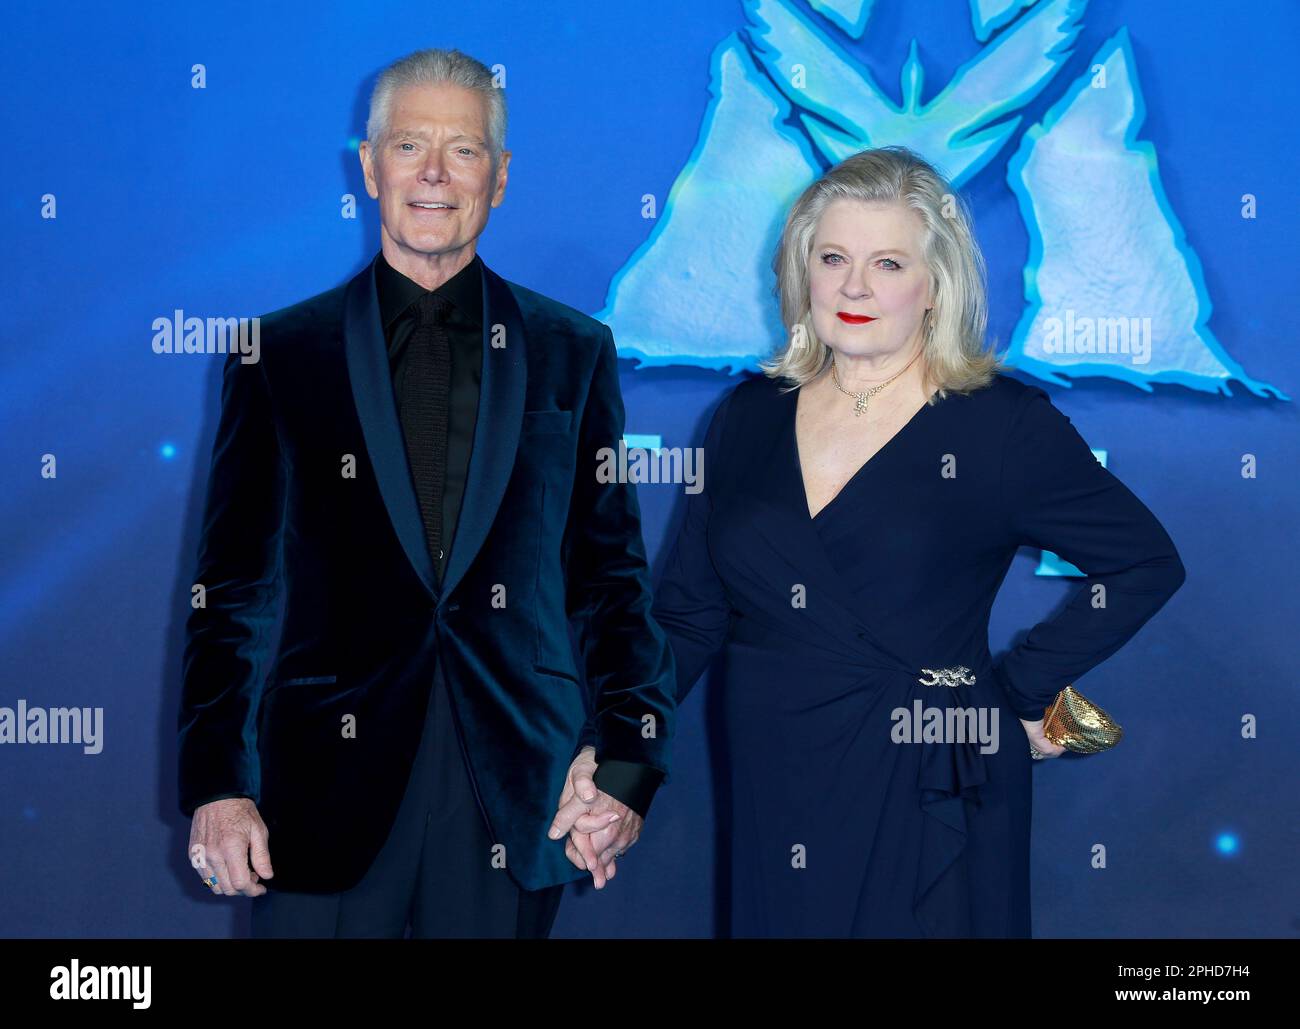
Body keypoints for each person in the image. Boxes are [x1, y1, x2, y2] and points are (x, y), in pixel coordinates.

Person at [177, 47, 675, 938]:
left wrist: (630, 761)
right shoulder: (277, 355)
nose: (436, 174)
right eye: (410, 146)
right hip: (321, 790)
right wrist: (219, 783)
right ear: (368, 166)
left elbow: (611, 581)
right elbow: (234, 595)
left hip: (514, 789)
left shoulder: (574, 350)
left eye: (465, 150)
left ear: (502, 175)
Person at [644, 145, 1186, 937]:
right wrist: (618, 760)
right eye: (833, 258)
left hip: (935, 779)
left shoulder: (1001, 425)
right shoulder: (746, 417)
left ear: (936, 286)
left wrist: (1018, 690)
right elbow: (687, 617)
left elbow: (1143, 561)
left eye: (889, 262)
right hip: (777, 778)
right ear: (802, 274)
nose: (855, 286)